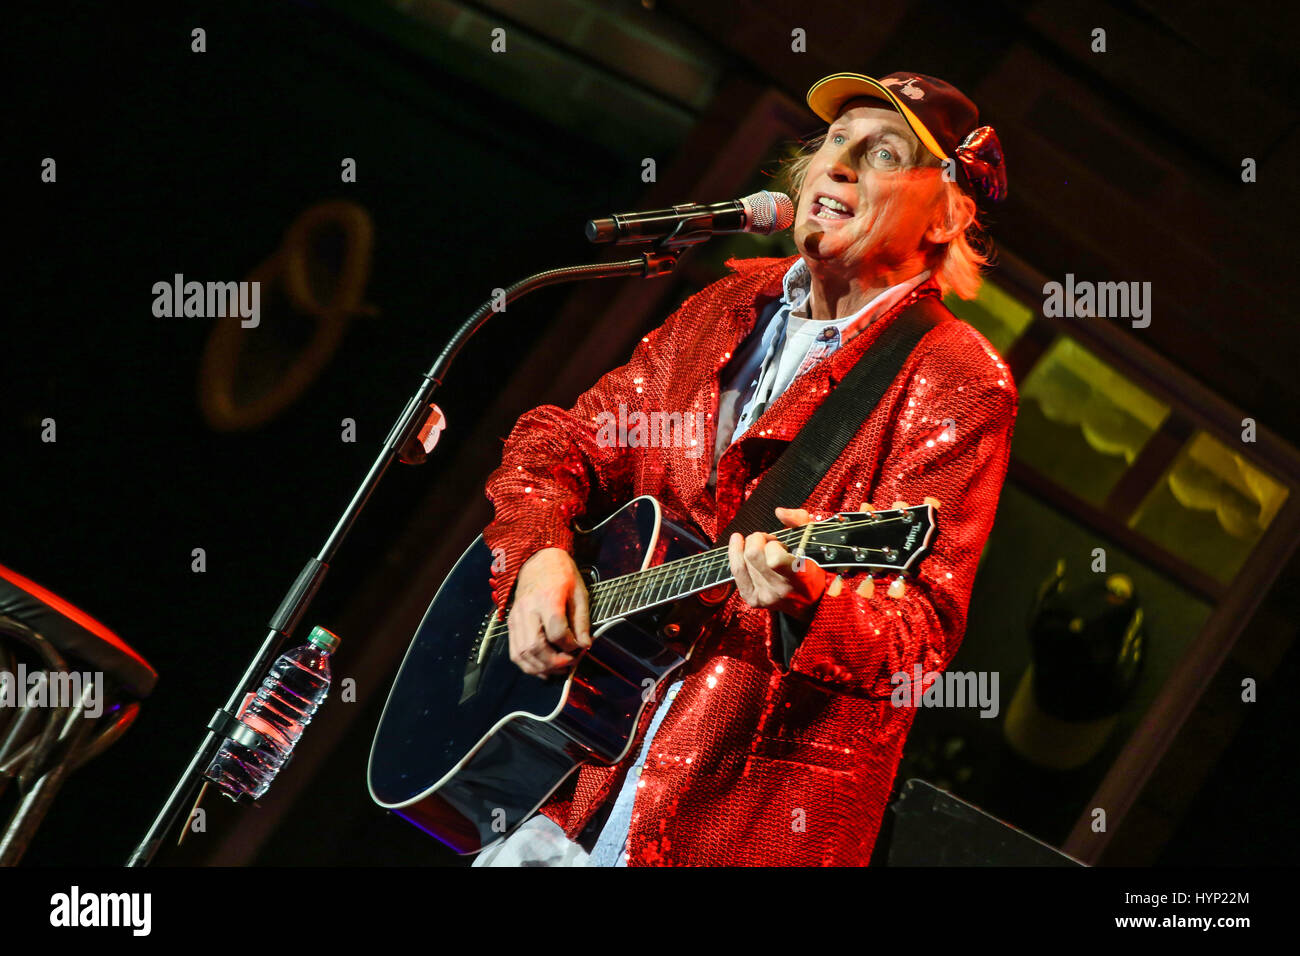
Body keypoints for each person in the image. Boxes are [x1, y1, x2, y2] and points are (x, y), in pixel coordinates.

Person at [474, 71, 1016, 866]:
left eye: (884, 153)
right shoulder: (728, 307)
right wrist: (538, 556)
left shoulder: (958, 380)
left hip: (734, 828)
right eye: (836, 141)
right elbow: (558, 444)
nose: (840, 164)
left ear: (946, 213)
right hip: (562, 793)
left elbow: (917, 638)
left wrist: (816, 597)